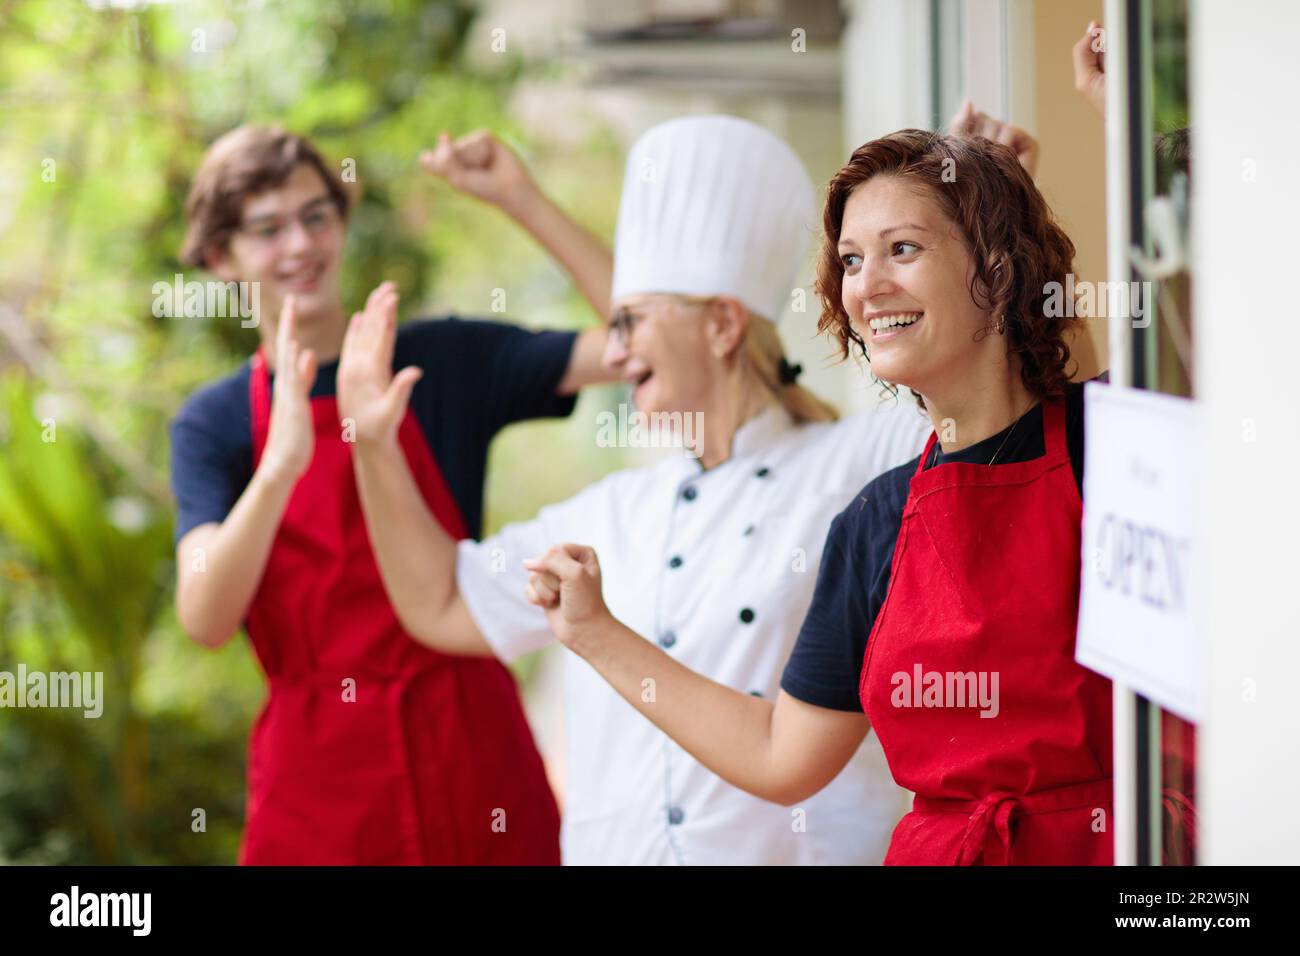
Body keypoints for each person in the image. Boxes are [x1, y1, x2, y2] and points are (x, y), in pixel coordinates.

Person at [523, 127, 1143, 865]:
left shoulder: (1109, 442)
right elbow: (782, 756)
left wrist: (1114, 115)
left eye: (902, 250)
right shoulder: (873, 523)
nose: (867, 284)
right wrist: (594, 631)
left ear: (997, 270)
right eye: (851, 260)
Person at [338, 115, 932, 864]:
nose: (612, 350)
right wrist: (373, 446)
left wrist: (990, 251)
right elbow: (443, 604)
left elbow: (1015, 405)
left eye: (628, 323)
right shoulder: (611, 512)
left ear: (722, 324)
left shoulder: (858, 462)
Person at [169, 124, 615, 864]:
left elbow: (640, 342)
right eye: (267, 229)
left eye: (316, 216)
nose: (301, 245)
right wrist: (279, 466)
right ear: (221, 257)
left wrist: (521, 199)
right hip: (318, 798)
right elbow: (205, 616)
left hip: (475, 760)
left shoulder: (442, 361)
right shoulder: (214, 423)